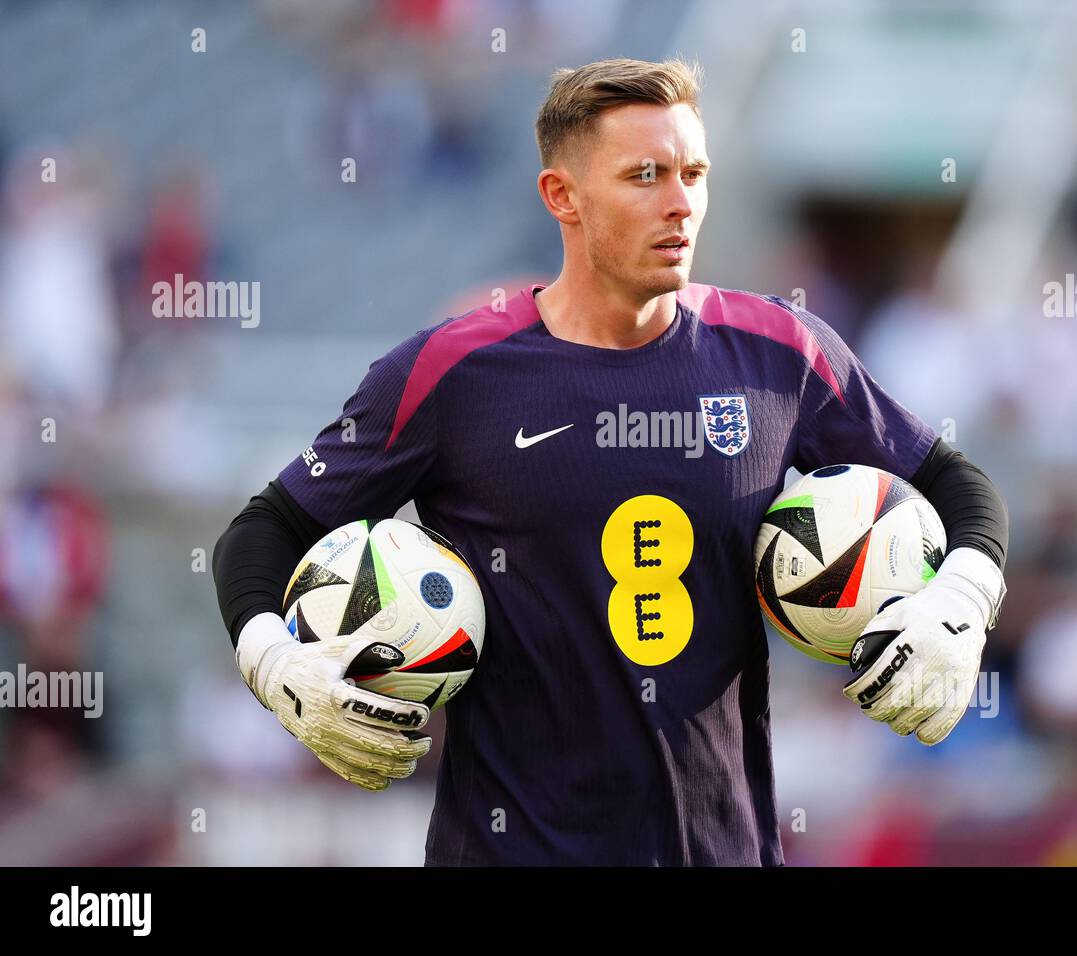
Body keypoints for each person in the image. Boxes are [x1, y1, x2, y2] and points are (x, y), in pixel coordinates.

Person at [212, 58, 1009, 866]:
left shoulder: (779, 352)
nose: (681, 202)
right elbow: (266, 529)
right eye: (645, 176)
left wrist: (962, 602)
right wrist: (276, 663)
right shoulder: (449, 372)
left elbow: (956, 485)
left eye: (694, 174)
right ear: (563, 196)